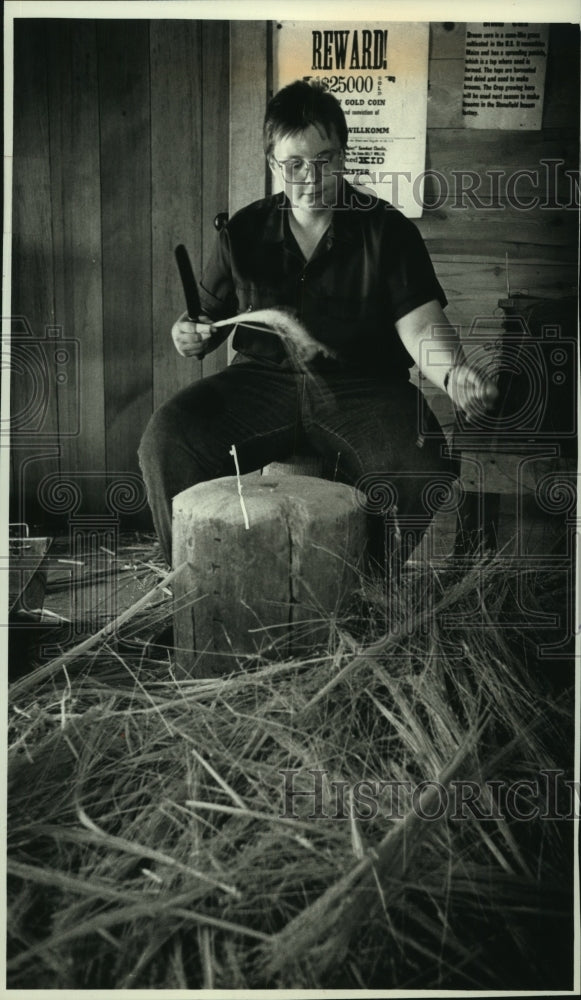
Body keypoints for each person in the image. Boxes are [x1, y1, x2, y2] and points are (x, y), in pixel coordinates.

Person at [139, 80, 497, 571]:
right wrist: (190, 335)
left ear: (344, 156)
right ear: (272, 165)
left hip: (363, 389)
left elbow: (420, 326)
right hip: (259, 384)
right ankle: (199, 581)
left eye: (325, 159)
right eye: (294, 165)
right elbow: (207, 320)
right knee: (168, 439)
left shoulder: (386, 231)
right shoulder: (243, 231)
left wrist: (454, 375)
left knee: (421, 468)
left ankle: (360, 585)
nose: (311, 177)